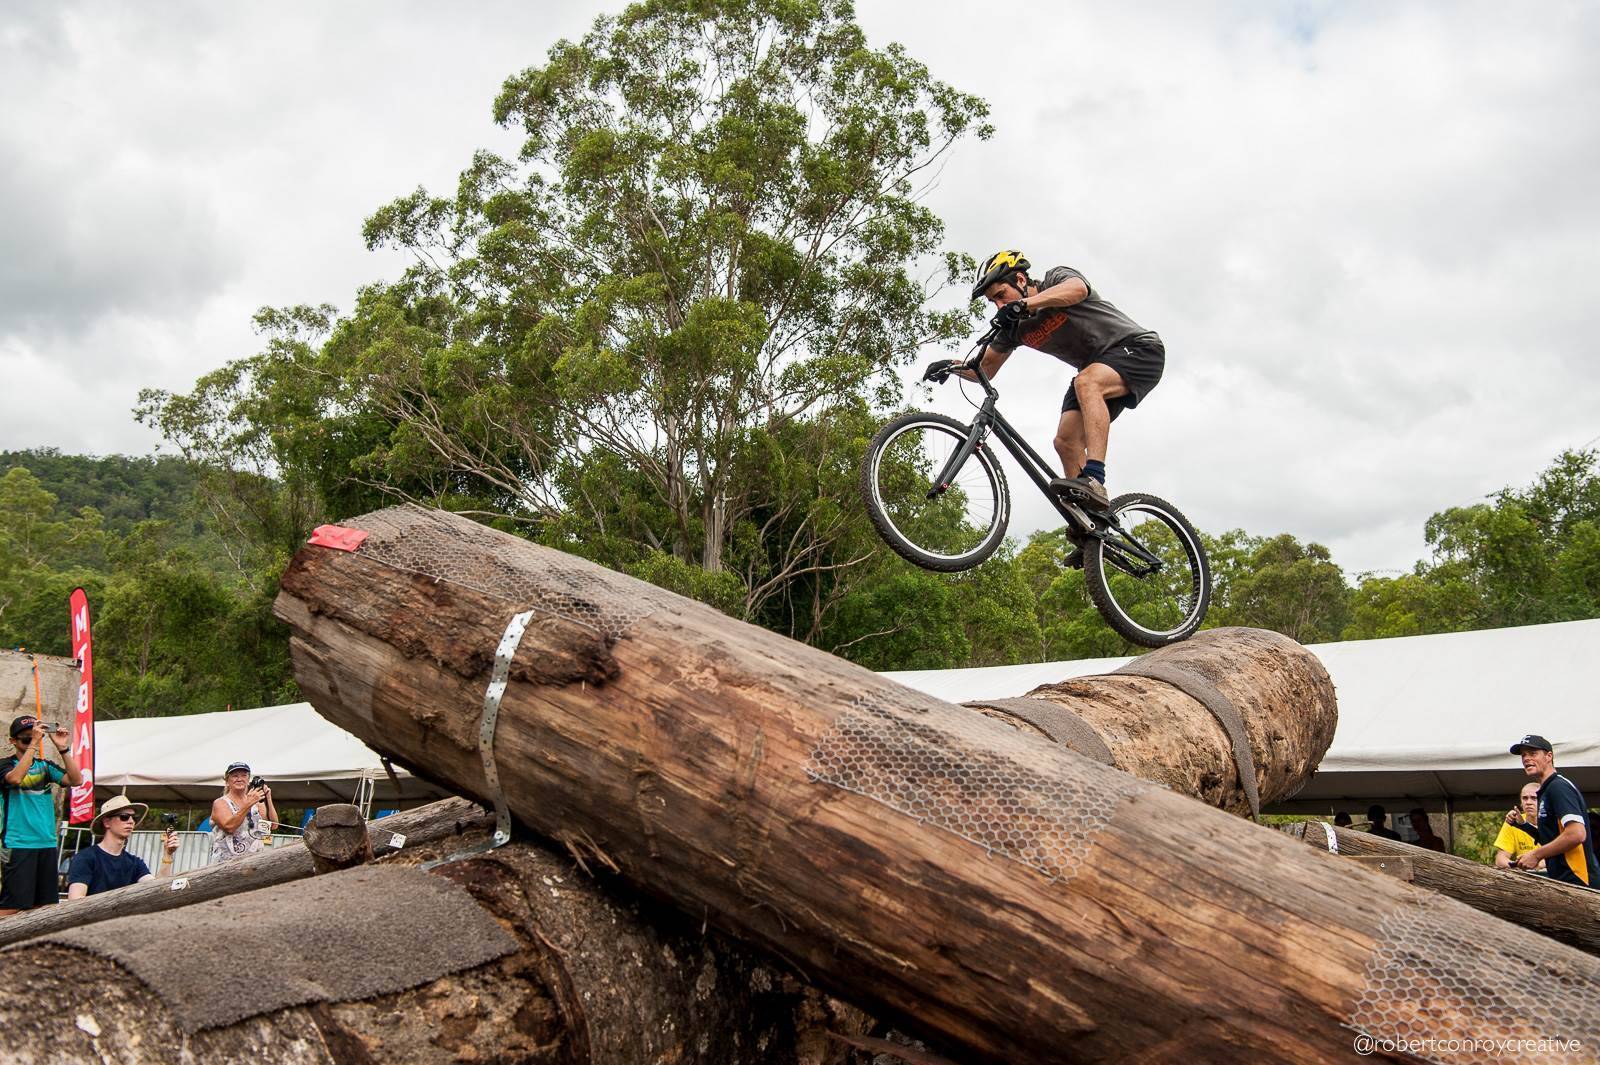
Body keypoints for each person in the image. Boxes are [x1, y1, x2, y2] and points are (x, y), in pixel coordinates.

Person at [963, 250, 1165, 511]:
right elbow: (985, 368)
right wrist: (950, 368)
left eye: (1001, 296)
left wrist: (1025, 305)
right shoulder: (1015, 327)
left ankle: (1094, 479)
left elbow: (1078, 289)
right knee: (1065, 441)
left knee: (1086, 382)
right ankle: (1091, 524)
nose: (1000, 306)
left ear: (1021, 281)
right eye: (993, 303)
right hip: (1095, 369)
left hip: (1139, 350)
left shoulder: (1055, 279)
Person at [0, 715, 83, 917]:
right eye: (26, 739)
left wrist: (63, 748)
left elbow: (76, 779)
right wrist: (34, 744)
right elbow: (16, 778)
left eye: (35, 737)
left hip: (46, 842)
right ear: (13, 741)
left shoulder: (45, 767)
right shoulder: (5, 765)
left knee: (44, 907)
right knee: (12, 906)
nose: (31, 741)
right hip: (18, 842)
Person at [1506, 734, 1598, 888]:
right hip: (1564, 881)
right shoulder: (1546, 790)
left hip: (1579, 880)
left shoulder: (1558, 787)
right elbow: (1553, 837)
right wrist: (1523, 825)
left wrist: (1535, 854)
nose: (1526, 759)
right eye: (1523, 755)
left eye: (1533, 753)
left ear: (1549, 756)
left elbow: (1576, 834)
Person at [65, 796, 179, 899]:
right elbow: (75, 900)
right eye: (124, 817)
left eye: (134, 817)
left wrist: (167, 854)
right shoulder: (85, 858)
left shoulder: (135, 863)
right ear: (106, 822)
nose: (131, 821)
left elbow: (157, 890)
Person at [210, 761, 276, 863]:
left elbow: (273, 826)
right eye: (235, 776)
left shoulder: (256, 802)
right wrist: (248, 804)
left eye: (244, 775)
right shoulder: (220, 803)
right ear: (227, 781)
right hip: (225, 865)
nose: (239, 779)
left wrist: (268, 798)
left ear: (248, 780)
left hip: (254, 863)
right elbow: (229, 827)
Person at [1493, 782, 1544, 871]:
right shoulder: (1513, 821)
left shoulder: (1555, 821)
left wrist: (1540, 863)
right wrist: (1519, 866)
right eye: (1525, 798)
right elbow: (1500, 859)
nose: (1528, 802)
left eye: (1534, 798)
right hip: (1525, 875)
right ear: (1521, 802)